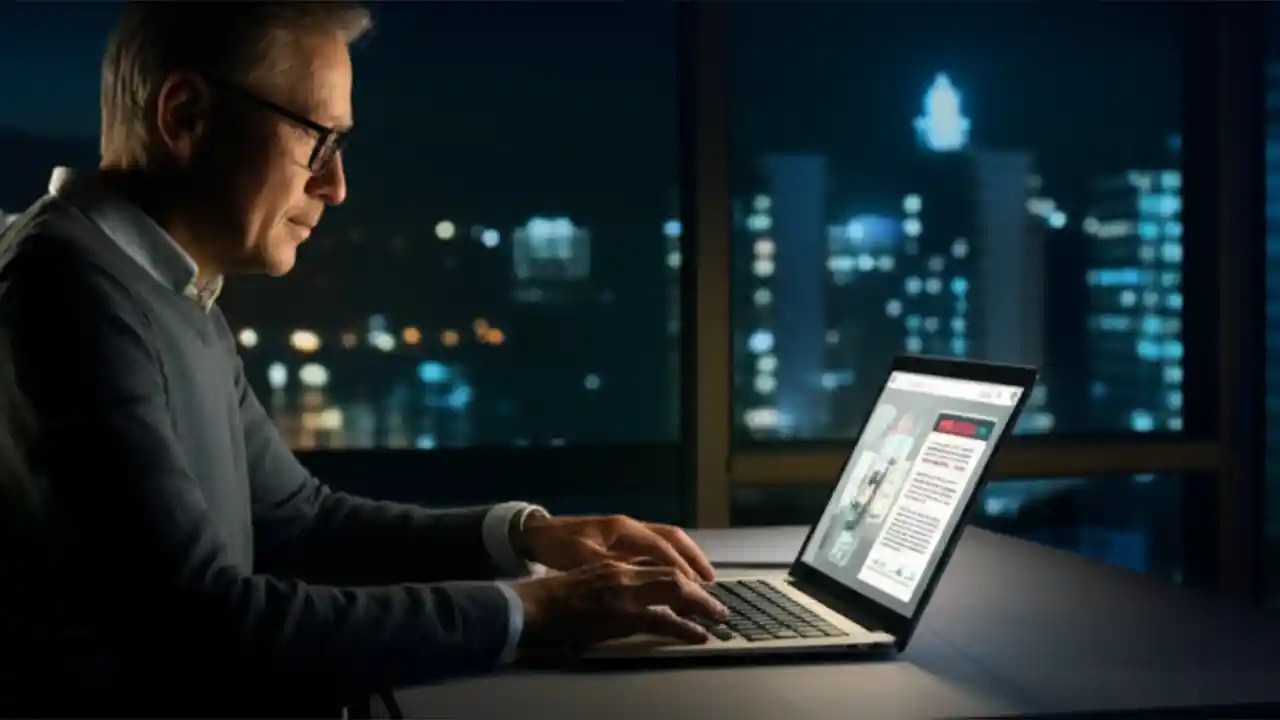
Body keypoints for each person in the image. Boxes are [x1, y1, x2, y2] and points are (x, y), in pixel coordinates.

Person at [0, 3, 728, 717]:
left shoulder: (161, 286)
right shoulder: (68, 295)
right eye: (319, 141)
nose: (335, 185)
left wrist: (524, 535)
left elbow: (300, 523)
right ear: (185, 116)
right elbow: (203, 623)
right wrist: (530, 613)